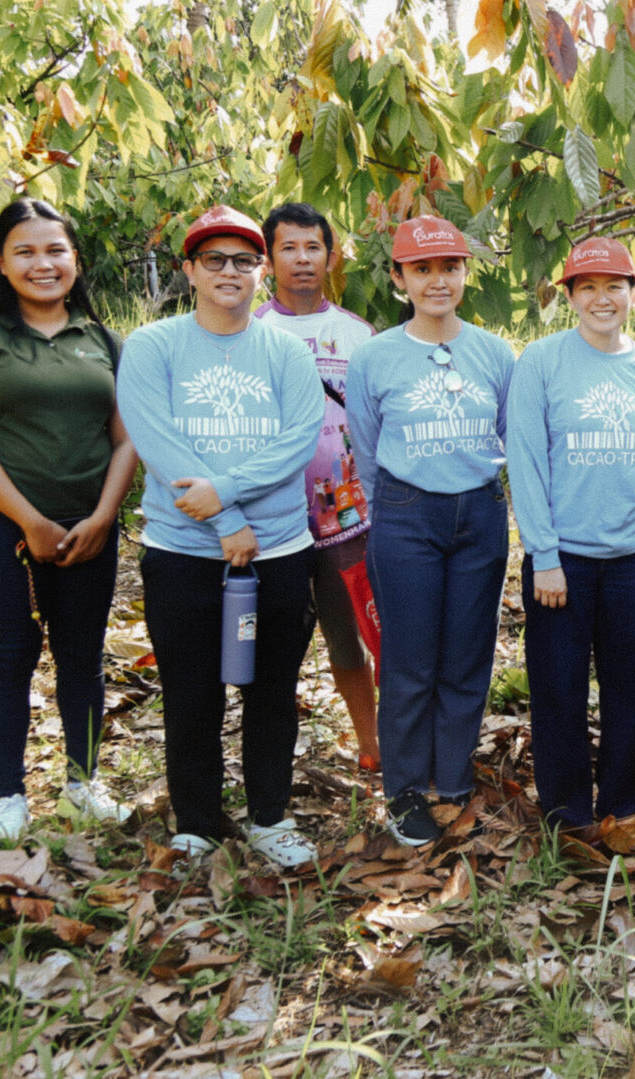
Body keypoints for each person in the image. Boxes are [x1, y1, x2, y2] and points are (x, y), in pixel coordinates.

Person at [116, 205, 322, 867]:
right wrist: (226, 521)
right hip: (183, 552)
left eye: (243, 260)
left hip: (280, 552)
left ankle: (269, 816)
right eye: (214, 260)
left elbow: (298, 439)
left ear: (261, 270)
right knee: (191, 687)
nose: (229, 271)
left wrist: (227, 494)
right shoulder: (155, 345)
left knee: (270, 690)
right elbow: (156, 437)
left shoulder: (285, 351)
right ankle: (199, 820)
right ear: (189, 269)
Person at [0, 198, 138, 848]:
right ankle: (9, 799)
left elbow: (126, 440)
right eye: (24, 250)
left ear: (76, 260)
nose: (42, 263)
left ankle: (84, 784)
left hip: (90, 528)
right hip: (2, 531)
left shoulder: (106, 342)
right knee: (9, 656)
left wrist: (105, 516)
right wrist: (29, 520)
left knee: (82, 655)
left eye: (55, 249)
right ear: (1, 261)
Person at [345, 216, 513, 846]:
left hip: (480, 510)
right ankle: (407, 787)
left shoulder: (495, 353)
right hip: (407, 512)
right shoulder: (375, 357)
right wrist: (399, 500)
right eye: (422, 270)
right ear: (398, 278)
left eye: (449, 268)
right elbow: (365, 447)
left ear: (466, 273)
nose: (437, 281)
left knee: (467, 650)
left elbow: (509, 433)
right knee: (411, 656)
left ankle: (453, 770)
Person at [507, 237, 635, 829]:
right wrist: (542, 553)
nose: (603, 298)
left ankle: (620, 802)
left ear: (631, 292)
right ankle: (566, 811)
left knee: (629, 686)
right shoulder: (542, 361)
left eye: (614, 286)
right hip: (562, 559)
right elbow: (525, 461)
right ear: (569, 295)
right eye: (588, 287)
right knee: (560, 688)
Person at [254, 202, 380, 772]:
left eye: (313, 247)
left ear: (331, 256)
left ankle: (374, 746)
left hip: (350, 514)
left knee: (353, 630)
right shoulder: (251, 331)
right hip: (272, 514)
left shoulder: (358, 335)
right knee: (273, 641)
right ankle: (268, 754)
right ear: (269, 257)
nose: (302, 259)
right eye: (288, 248)